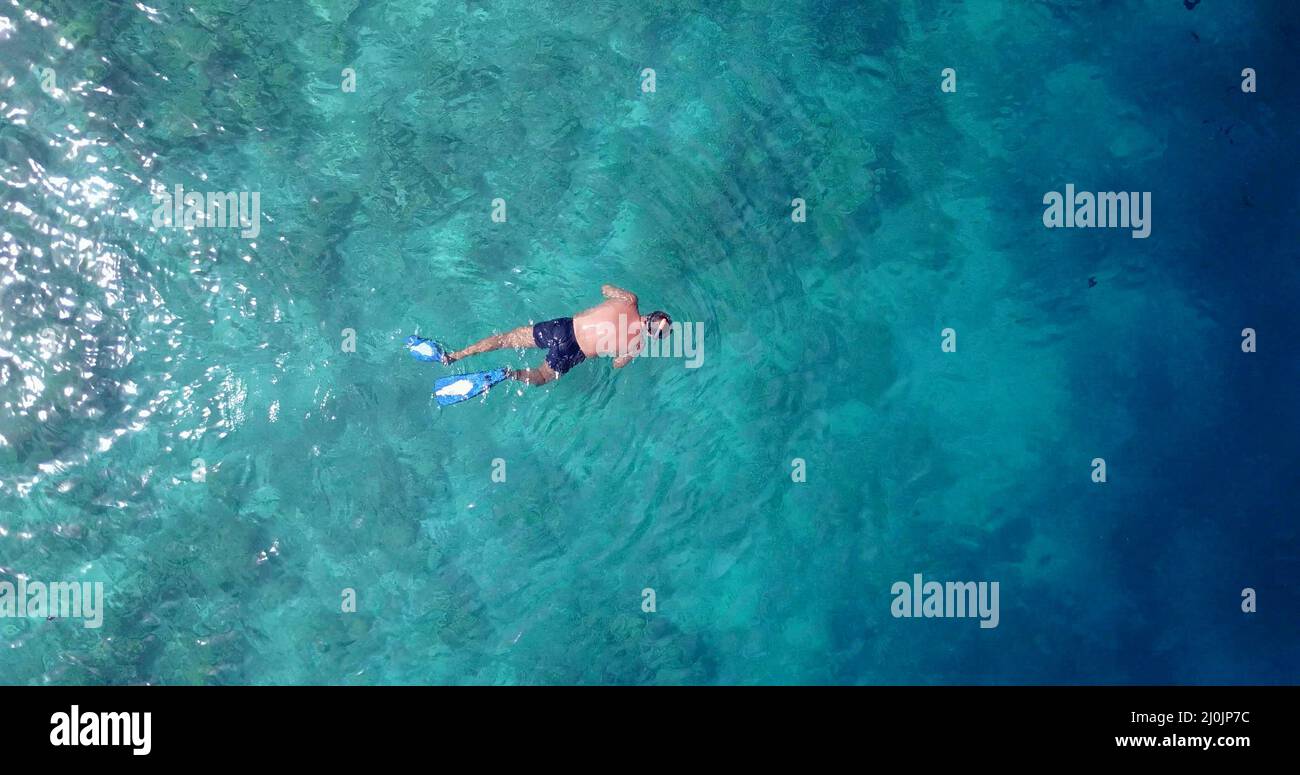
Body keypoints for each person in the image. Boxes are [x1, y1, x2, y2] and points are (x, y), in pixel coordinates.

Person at [443, 285, 671, 385]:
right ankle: (509, 374)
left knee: (507, 339)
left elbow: (605, 288)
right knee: (541, 377)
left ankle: (457, 354)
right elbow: (617, 364)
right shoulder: (637, 343)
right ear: (652, 336)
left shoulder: (629, 300)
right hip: (573, 353)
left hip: (564, 327)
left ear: (651, 314)